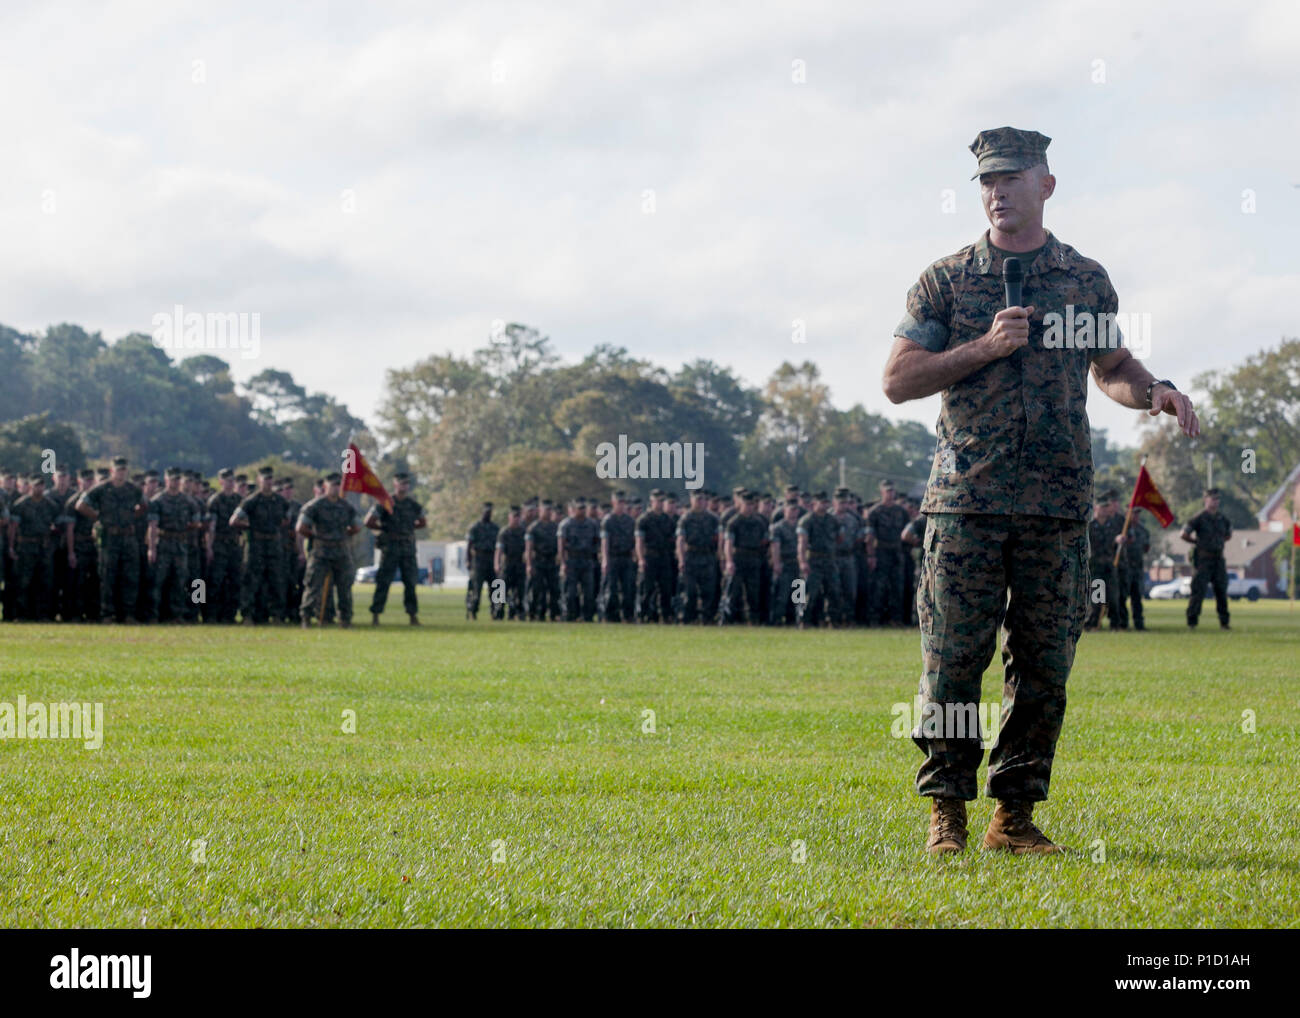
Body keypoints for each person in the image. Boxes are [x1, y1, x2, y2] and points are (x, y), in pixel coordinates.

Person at [882, 126, 1199, 855]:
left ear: (1045, 187)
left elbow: (1112, 364)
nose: (997, 192)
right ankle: (948, 814)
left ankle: (1013, 818)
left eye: (1011, 179)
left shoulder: (1083, 279)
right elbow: (898, 381)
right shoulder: (947, 279)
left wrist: (1155, 392)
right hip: (965, 503)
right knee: (954, 662)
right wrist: (985, 347)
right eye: (987, 182)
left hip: (1057, 508)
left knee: (1045, 665)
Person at [76, 456, 146, 624]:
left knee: (130, 576)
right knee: (108, 577)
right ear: (112, 470)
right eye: (118, 470)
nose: (121, 473)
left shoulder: (133, 489)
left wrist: (131, 517)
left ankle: (128, 613)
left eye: (124, 470)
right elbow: (80, 505)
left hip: (128, 538)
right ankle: (107, 614)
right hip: (110, 538)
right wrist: (98, 518)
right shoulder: (101, 489)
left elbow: (144, 506)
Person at [297, 472, 362, 628]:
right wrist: (315, 537)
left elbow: (357, 526)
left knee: (344, 587)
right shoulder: (315, 506)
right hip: (320, 552)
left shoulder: (346, 506)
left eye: (338, 485)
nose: (336, 488)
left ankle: (345, 619)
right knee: (313, 585)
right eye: (333, 485)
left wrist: (343, 535)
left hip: (341, 552)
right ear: (325, 487)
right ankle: (306, 617)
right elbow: (301, 527)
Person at [231, 466, 291, 625]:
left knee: (277, 580)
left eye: (270, 479)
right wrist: (249, 526)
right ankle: (248, 615)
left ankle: (277, 616)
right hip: (256, 545)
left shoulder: (280, 501)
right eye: (265, 479)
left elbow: (286, 520)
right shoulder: (251, 500)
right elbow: (234, 520)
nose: (268, 483)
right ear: (259, 481)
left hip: (274, 544)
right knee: (251, 581)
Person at [366, 472, 426, 625]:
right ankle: (376, 614)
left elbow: (423, 522)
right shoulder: (385, 502)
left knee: (411, 583)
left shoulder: (413, 505)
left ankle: (412, 615)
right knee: (383, 582)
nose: (404, 486)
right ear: (395, 484)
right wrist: (384, 529)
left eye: (406, 483)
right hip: (390, 548)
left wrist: (409, 528)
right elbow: (369, 521)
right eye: (401, 483)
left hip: (407, 548)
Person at [148, 467, 199, 623]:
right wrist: (151, 548)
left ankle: (177, 615)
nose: (175, 482)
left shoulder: (188, 501)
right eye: (172, 479)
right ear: (166, 479)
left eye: (177, 479)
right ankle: (154, 614)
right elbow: (153, 526)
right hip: (163, 544)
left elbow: (196, 523)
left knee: (180, 580)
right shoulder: (157, 501)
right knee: (158, 580)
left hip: (181, 545)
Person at [6, 474, 60, 620]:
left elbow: (58, 525)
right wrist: (11, 546)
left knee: (44, 581)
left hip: (44, 547)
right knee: (24, 581)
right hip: (26, 546)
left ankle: (42, 614)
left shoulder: (50, 505)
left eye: (41, 485)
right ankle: (23, 614)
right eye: (36, 485)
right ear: (30, 486)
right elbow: (13, 527)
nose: (39, 488)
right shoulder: (21, 504)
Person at [1182, 487, 1232, 630]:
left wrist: (1217, 543)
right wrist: (1197, 543)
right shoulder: (1199, 518)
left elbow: (1228, 535)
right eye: (1212, 499)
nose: (1215, 502)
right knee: (1198, 591)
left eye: (1217, 499)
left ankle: (1224, 622)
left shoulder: (1223, 519)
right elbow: (1184, 534)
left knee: (1221, 591)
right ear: (1206, 500)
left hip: (1218, 560)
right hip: (1203, 560)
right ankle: (1192, 622)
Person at [867, 481, 911, 626]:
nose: (890, 494)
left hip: (897, 553)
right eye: (887, 491)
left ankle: (896, 619)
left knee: (897, 586)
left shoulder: (901, 511)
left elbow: (907, 533)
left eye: (892, 491)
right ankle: (876, 619)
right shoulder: (875, 511)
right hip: (881, 552)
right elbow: (870, 536)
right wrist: (871, 555)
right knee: (879, 587)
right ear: (882, 492)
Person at [720, 490, 766, 624]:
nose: (749, 507)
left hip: (754, 559)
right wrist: (729, 561)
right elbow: (728, 544)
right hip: (739, 558)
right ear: (741, 504)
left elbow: (764, 543)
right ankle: (726, 620)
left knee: (753, 592)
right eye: (747, 504)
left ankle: (753, 620)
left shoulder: (759, 522)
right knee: (733, 592)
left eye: (752, 504)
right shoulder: (733, 522)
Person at [675, 490, 719, 624]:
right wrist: (681, 559)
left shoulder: (713, 518)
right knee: (690, 590)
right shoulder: (685, 518)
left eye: (703, 499)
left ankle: (707, 618)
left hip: (707, 556)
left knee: (708, 590)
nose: (701, 502)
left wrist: (720, 556)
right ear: (692, 500)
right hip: (691, 556)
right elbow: (680, 540)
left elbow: (719, 539)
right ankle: (688, 618)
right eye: (698, 499)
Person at [206, 468, 244, 624]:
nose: (230, 483)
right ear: (221, 482)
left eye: (232, 480)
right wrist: (209, 547)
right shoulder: (215, 501)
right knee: (215, 581)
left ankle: (230, 615)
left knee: (235, 580)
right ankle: (211, 615)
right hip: (219, 544)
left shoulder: (239, 500)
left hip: (234, 545)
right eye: (227, 480)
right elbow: (211, 527)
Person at [796, 492, 838, 628]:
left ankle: (831, 620)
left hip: (830, 560)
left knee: (833, 591)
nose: (825, 505)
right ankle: (804, 620)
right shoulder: (807, 520)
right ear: (814, 504)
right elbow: (802, 543)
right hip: (814, 560)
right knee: (810, 593)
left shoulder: (832, 520)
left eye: (826, 502)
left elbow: (839, 537)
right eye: (822, 502)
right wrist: (803, 561)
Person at [1084, 491, 1124, 631]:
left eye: (1107, 507)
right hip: (1096, 567)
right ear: (1096, 508)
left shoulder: (1113, 526)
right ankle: (1093, 624)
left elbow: (1116, 542)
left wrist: (1118, 539)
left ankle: (1115, 625)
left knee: (1113, 597)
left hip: (1110, 566)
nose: (1105, 509)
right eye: (1102, 507)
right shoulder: (1089, 526)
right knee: (1097, 597)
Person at [634, 489, 676, 623]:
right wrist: (641, 559)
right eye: (658, 501)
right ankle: (644, 614)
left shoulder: (668, 520)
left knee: (666, 588)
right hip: (650, 557)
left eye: (662, 501)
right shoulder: (643, 520)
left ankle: (665, 615)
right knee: (647, 588)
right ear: (652, 501)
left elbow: (672, 540)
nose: (660, 503)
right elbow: (639, 542)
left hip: (664, 557)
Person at [558, 498, 600, 622]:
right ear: (574, 509)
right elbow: (561, 545)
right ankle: (570, 615)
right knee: (570, 592)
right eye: (579, 508)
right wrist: (563, 563)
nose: (582, 511)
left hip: (587, 561)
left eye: (583, 508)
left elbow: (597, 541)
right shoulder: (566, 524)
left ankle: (587, 617)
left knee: (588, 591)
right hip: (571, 560)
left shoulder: (592, 524)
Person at [599, 492, 637, 622]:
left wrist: (635, 555)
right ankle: (610, 616)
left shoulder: (630, 521)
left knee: (628, 588)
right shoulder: (608, 521)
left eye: (623, 502)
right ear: (613, 503)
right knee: (611, 589)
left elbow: (634, 540)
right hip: (613, 558)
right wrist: (604, 560)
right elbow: (605, 542)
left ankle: (628, 615)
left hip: (626, 558)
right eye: (619, 502)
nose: (621, 505)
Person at [524, 500, 560, 621]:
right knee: (538, 590)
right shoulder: (533, 528)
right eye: (546, 510)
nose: (548, 512)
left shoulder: (556, 527)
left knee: (554, 589)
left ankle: (554, 614)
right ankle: (537, 613)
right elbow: (529, 548)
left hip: (552, 562)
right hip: (538, 562)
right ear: (540, 511)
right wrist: (529, 565)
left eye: (550, 510)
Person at [1116, 507, 1150, 631]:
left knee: (1137, 597)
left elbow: (1146, 548)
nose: (1135, 516)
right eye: (1132, 513)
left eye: (1137, 514)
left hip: (1137, 568)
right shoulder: (1121, 529)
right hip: (1124, 567)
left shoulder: (1143, 530)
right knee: (1122, 596)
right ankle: (1122, 623)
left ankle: (1139, 624)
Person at [493, 504, 527, 621]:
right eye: (514, 517)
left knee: (520, 591)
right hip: (507, 564)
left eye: (518, 517)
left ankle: (517, 613)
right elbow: (499, 550)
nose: (516, 519)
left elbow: (528, 548)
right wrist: (496, 564)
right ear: (509, 517)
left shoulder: (524, 532)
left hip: (519, 565)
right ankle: (498, 612)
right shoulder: (504, 532)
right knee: (501, 589)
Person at [465, 502, 499, 620]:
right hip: (478, 560)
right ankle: (473, 611)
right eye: (486, 512)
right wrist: (468, 561)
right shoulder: (475, 527)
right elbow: (469, 546)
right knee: (476, 588)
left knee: (496, 587)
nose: (488, 514)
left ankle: (495, 611)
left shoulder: (496, 528)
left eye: (490, 512)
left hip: (491, 559)